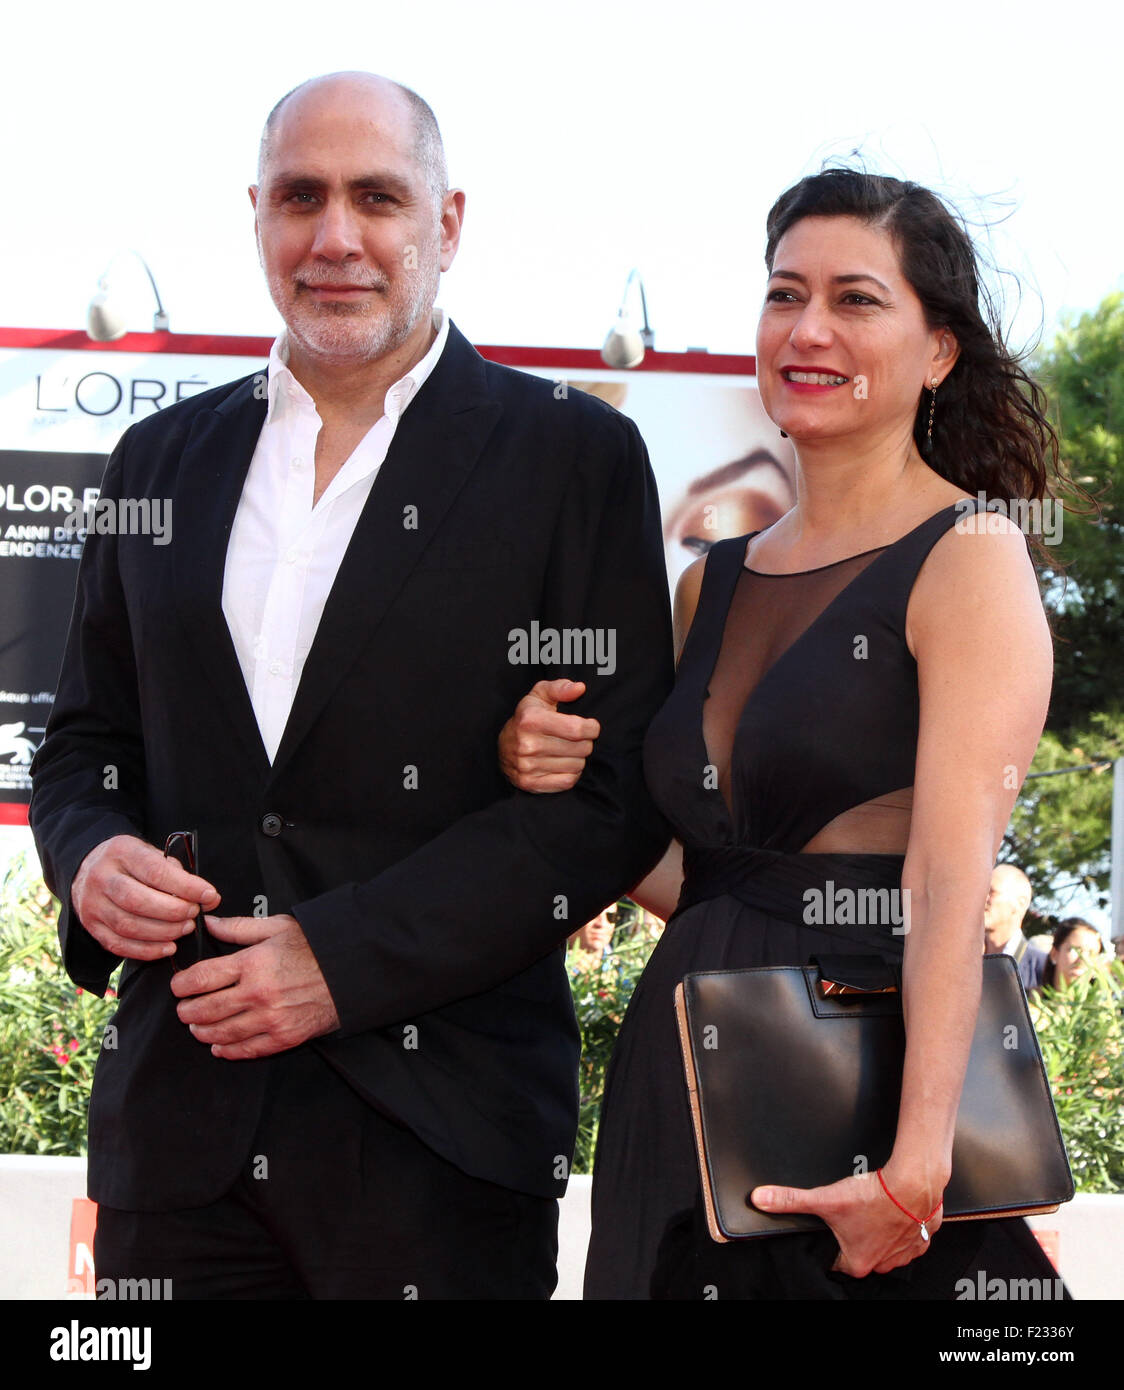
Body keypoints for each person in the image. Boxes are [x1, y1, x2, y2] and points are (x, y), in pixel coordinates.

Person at [29, 71, 674, 1300]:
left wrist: (341, 959)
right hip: (179, 1145)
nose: (335, 237)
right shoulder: (159, 458)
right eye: (299, 198)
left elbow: (607, 804)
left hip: (439, 1140)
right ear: (258, 217)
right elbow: (85, 742)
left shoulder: (571, 457)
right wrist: (92, 856)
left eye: (376, 198)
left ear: (447, 222)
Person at [501, 168, 1070, 1299]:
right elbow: (701, 877)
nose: (806, 329)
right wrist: (549, 770)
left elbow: (948, 882)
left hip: (860, 1116)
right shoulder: (705, 583)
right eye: (782, 294)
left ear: (937, 350)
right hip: (687, 1100)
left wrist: (919, 1166)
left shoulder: (967, 560)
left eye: (855, 299)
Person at [983, 862, 1048, 992]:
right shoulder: (962, 959)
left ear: (1020, 903)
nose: (982, 898)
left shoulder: (1042, 969)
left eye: (992, 892)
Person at [1040, 918, 1105, 992]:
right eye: (1075, 950)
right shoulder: (1028, 999)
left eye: (1091, 954)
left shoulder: (1105, 1002)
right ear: (1054, 953)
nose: (1083, 960)